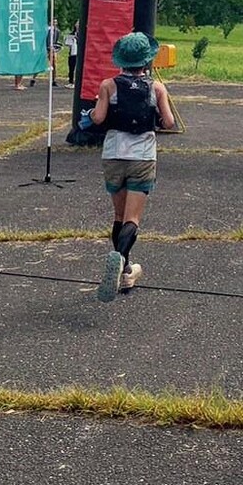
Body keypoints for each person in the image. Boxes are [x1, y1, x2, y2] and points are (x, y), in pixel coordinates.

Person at [83, 31, 175, 302]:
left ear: (120, 60)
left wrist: (89, 114)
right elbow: (169, 122)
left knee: (119, 216)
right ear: (146, 62)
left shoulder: (108, 85)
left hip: (113, 155)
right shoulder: (157, 88)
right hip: (143, 156)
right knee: (133, 220)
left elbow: (98, 118)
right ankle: (121, 261)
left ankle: (123, 268)